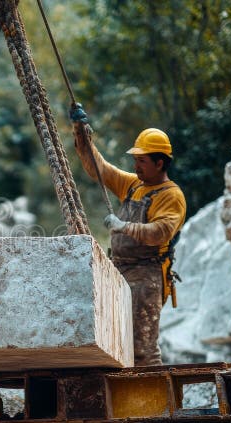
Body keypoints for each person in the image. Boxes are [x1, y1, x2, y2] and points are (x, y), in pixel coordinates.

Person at [69, 104, 186, 366]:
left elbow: (161, 232)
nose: (136, 165)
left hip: (146, 279)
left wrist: (124, 227)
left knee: (142, 349)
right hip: (121, 272)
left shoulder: (171, 196)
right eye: (136, 160)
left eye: (141, 161)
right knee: (117, 343)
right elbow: (99, 169)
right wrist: (81, 133)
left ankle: (154, 403)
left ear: (159, 163)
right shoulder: (134, 185)